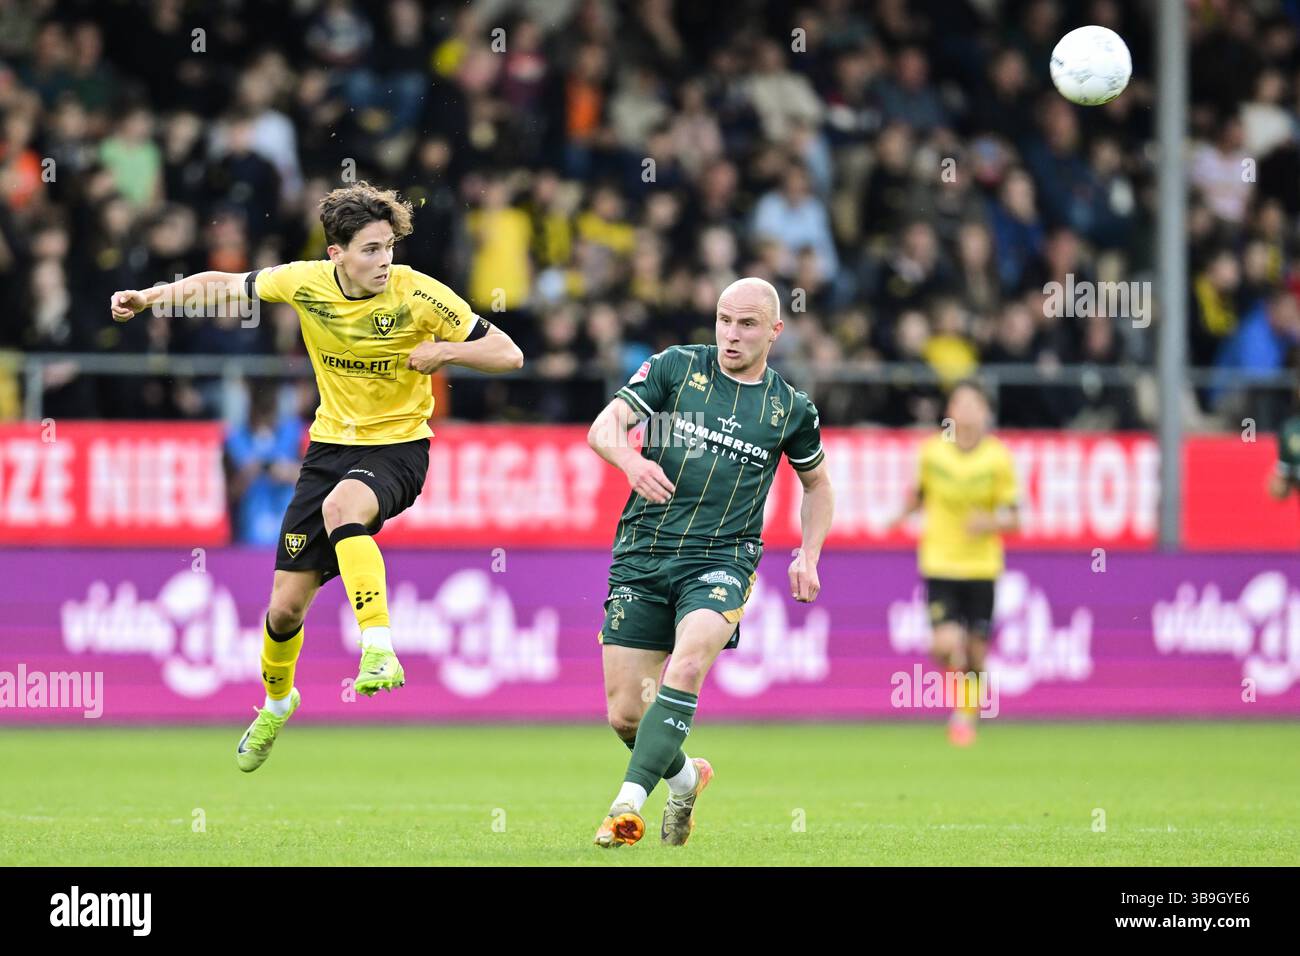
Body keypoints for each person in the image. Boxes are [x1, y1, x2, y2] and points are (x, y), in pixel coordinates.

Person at [109, 182, 523, 772]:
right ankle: (278, 702)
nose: (384, 262)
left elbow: (509, 353)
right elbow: (226, 286)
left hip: (399, 448)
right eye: (370, 251)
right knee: (284, 610)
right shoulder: (305, 283)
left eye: (388, 248)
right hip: (328, 450)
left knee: (342, 510)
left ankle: (378, 648)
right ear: (337, 255)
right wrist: (152, 296)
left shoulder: (419, 295)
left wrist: (445, 354)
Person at [585, 276, 834, 847]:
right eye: (724, 320)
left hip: (722, 560)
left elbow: (817, 485)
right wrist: (629, 460)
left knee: (688, 664)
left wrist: (809, 553)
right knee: (626, 715)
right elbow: (604, 428)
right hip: (643, 553)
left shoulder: (789, 409)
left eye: (747, 324)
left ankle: (626, 806)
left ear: (774, 331)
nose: (731, 334)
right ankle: (685, 777)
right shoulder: (675, 368)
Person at [891, 380, 1019, 746]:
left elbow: (1015, 517)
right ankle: (964, 704)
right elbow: (918, 496)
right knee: (944, 645)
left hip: (981, 567)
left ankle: (965, 715)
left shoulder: (998, 458)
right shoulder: (933, 452)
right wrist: (896, 518)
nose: (964, 411)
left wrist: (990, 522)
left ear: (985, 412)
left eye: (972, 404)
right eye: (958, 404)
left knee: (977, 653)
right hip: (941, 562)